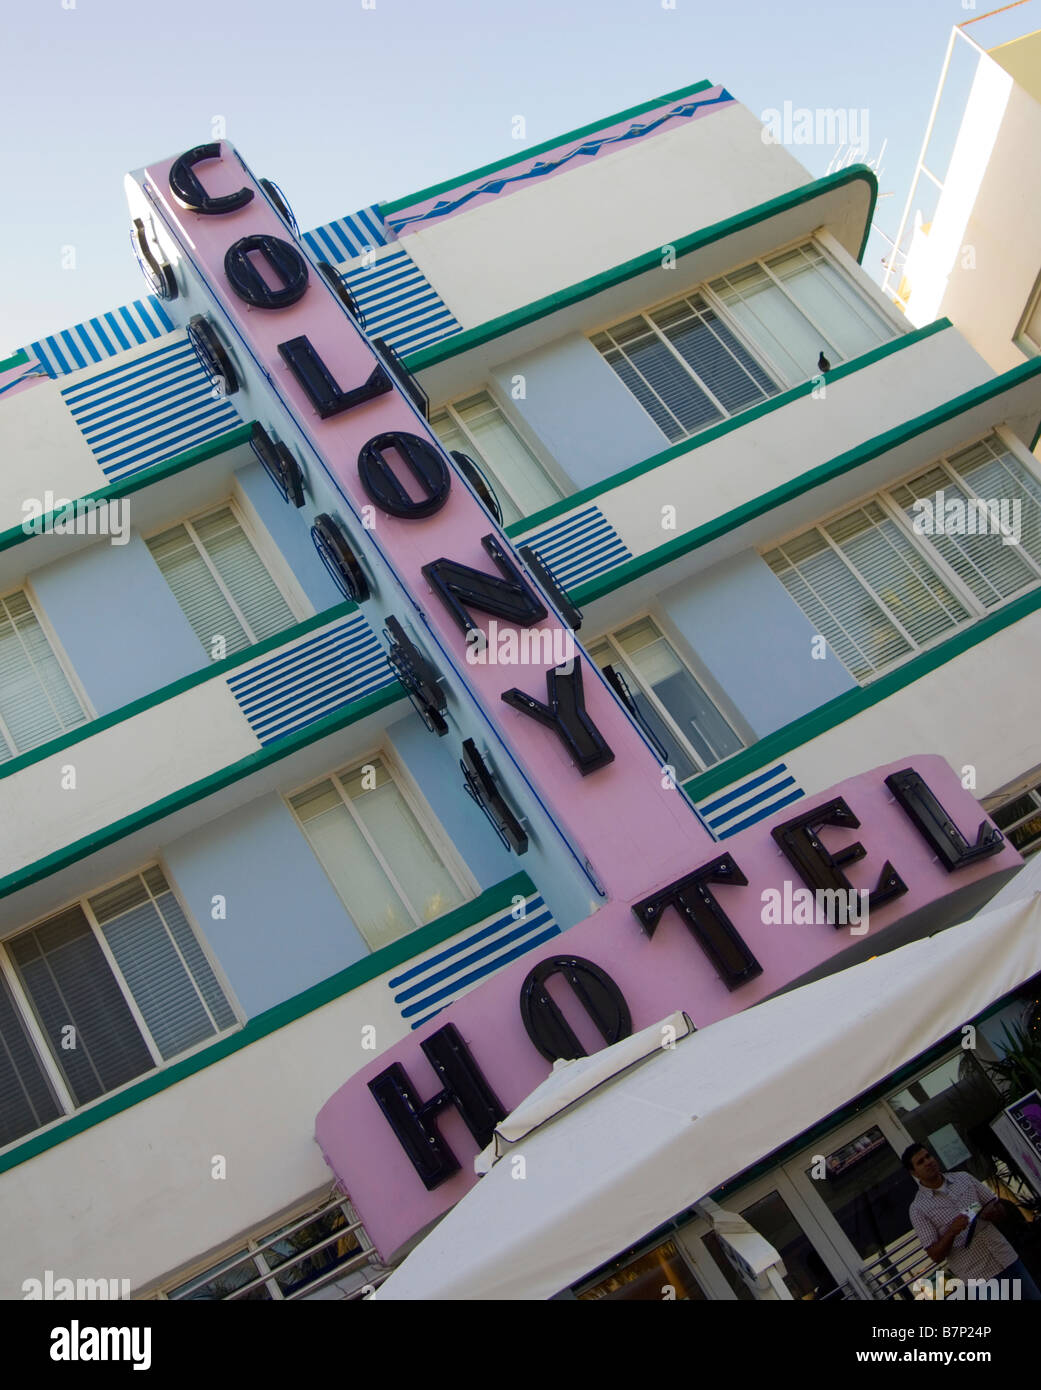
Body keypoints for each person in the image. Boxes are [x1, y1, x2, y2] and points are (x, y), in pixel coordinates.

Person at [903, 1143, 1041, 1300]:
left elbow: (999, 1209)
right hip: (978, 1277)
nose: (928, 1162)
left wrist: (993, 1212)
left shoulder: (963, 1178)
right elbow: (935, 1255)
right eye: (920, 1162)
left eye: (928, 1156)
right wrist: (952, 1231)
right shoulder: (918, 1209)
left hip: (1005, 1256)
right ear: (913, 1172)